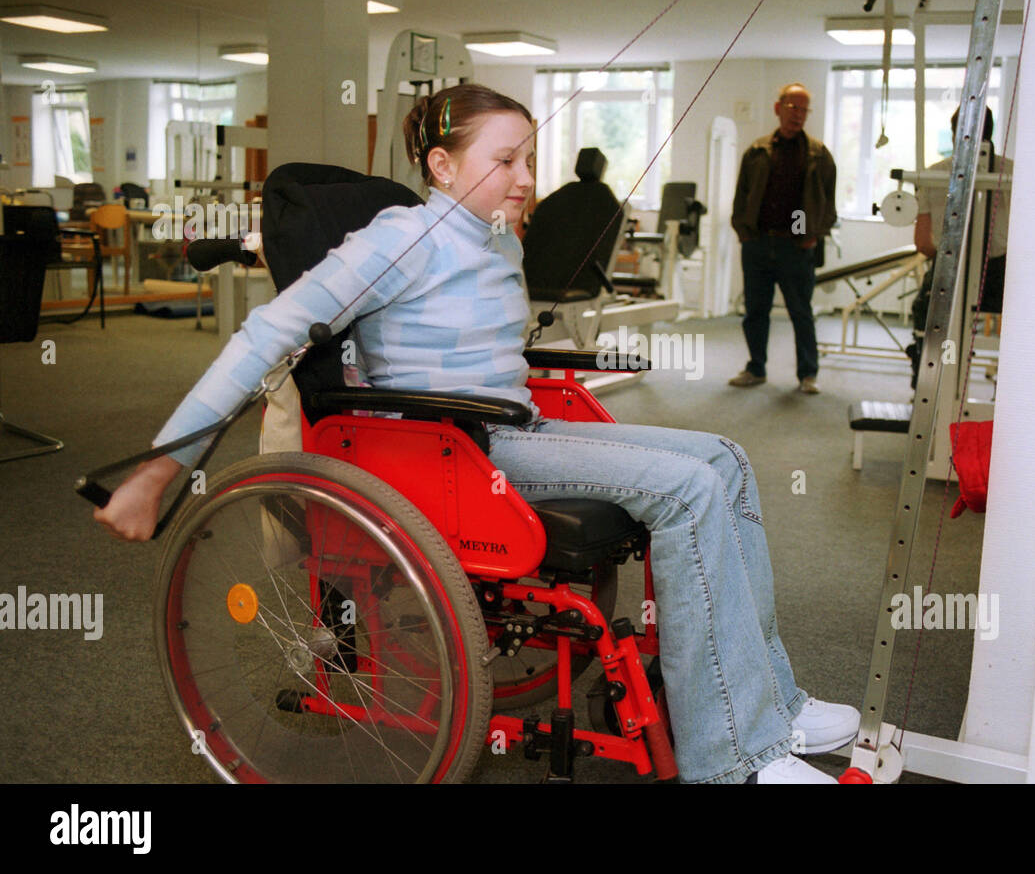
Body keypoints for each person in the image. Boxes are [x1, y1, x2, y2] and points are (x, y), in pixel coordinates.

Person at [92, 83, 859, 784]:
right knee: (691, 490)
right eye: (505, 159)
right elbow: (267, 333)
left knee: (726, 456)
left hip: (508, 426)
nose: (526, 177)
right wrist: (162, 469)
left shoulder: (495, 236)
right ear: (442, 165)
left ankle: (775, 704)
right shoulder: (400, 237)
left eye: (529, 156)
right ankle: (733, 761)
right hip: (456, 453)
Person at [729, 83, 837, 395]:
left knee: (801, 312)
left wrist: (810, 235)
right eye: (793, 108)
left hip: (796, 243)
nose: (799, 115)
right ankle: (756, 368)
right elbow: (742, 196)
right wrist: (745, 233)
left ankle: (807, 374)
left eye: (804, 110)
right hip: (759, 243)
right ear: (779, 108)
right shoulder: (758, 151)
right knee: (755, 311)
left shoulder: (817, 154)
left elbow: (828, 203)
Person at [905, 108, 1012, 389]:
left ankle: (925, 385)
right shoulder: (1013, 173)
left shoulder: (932, 175)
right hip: (998, 278)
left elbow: (923, 244)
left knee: (927, 314)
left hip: (952, 272)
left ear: (954, 135)